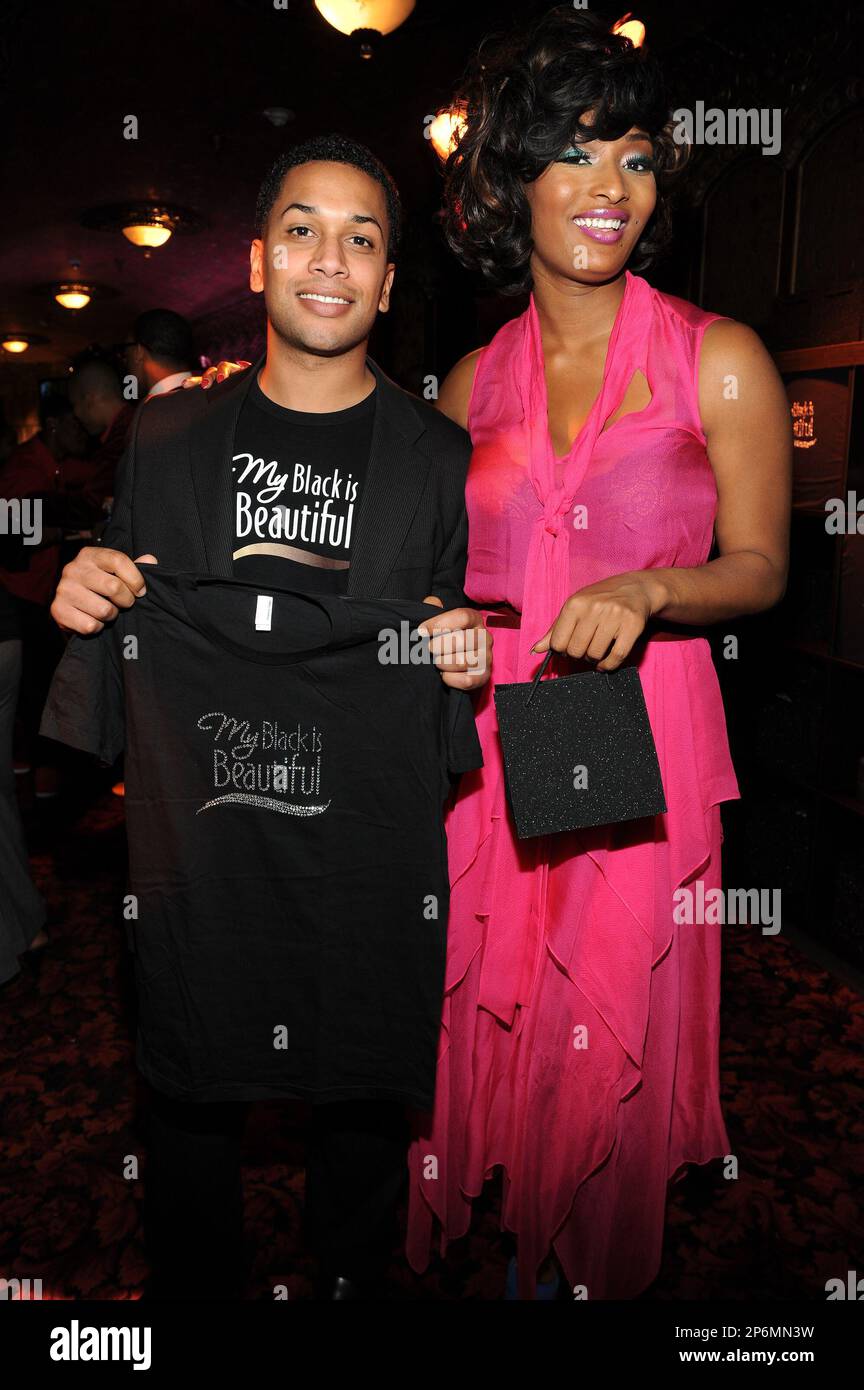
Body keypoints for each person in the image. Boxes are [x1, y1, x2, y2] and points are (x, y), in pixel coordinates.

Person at [47, 133, 491, 1300]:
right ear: (255, 260)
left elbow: (444, 640)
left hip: (360, 854)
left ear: (390, 282)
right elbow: (123, 586)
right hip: (202, 844)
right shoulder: (168, 433)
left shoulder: (439, 456)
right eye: (301, 229)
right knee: (191, 1095)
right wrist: (88, 587)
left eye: (363, 238)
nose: (328, 259)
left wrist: (454, 658)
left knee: (359, 1101)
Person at [398, 6, 791, 1300]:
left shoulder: (717, 359)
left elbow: (763, 567)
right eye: (574, 152)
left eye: (632, 153)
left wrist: (654, 584)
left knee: (608, 1030)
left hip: (646, 741)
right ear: (515, 180)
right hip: (500, 744)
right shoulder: (464, 386)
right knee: (490, 1017)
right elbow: (444, 577)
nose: (610, 185)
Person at [124, 309, 196, 399]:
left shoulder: (149, 411)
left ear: (138, 352)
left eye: (126, 353)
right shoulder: (213, 390)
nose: (125, 361)